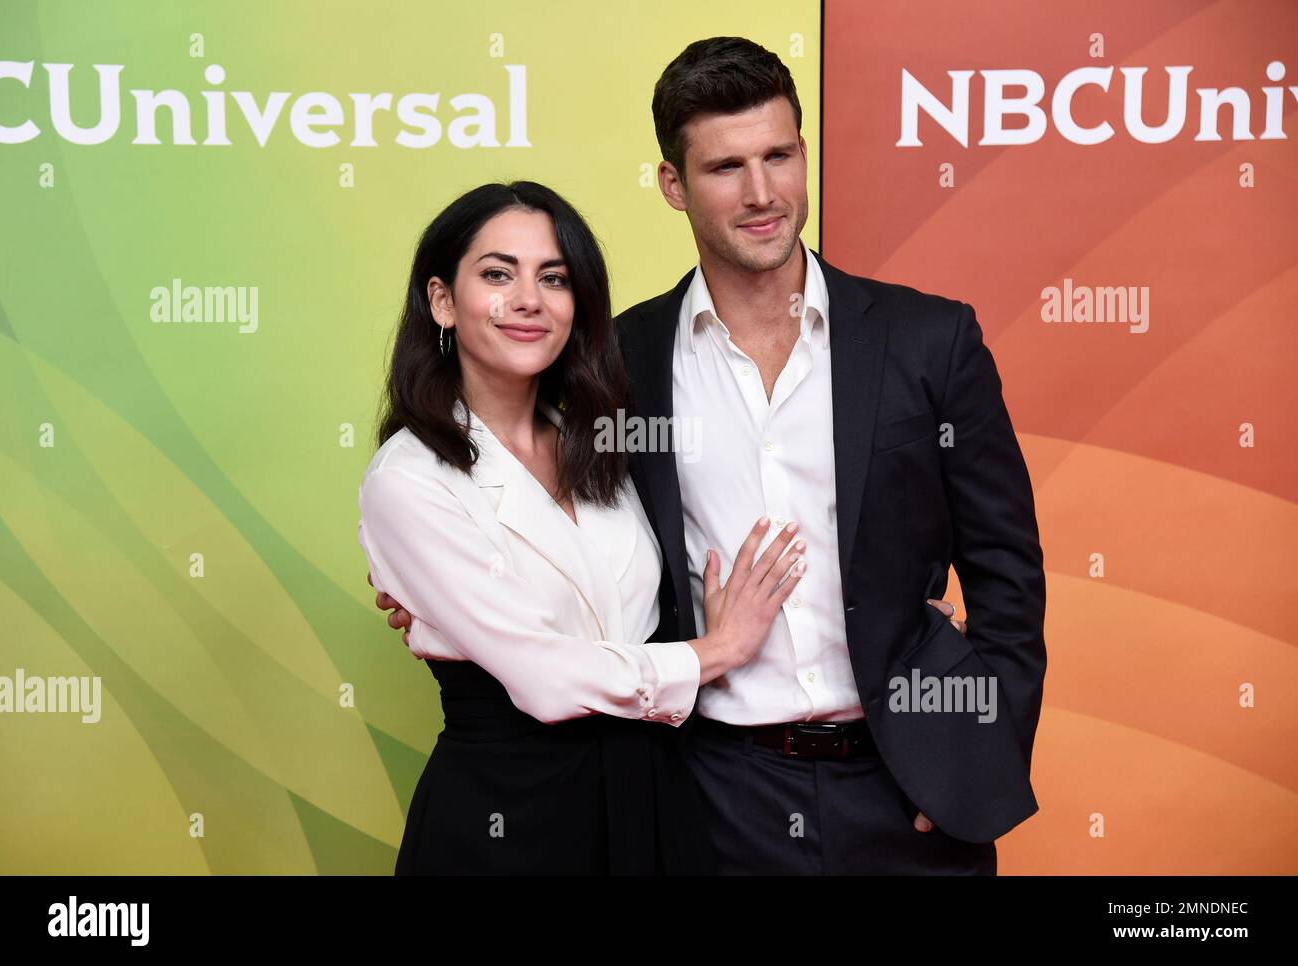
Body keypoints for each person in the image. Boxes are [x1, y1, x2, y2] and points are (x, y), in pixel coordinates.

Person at [379, 37, 1046, 875]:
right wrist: (431, 597)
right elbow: (523, 507)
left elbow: (1008, 571)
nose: (762, 192)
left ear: (806, 157)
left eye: (780, 155)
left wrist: (977, 757)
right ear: (673, 186)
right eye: (726, 167)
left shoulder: (928, 341)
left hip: (907, 782)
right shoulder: (615, 364)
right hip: (710, 796)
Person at [357, 180, 809, 874]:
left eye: (554, 278)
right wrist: (716, 650)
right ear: (442, 300)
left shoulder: (598, 444)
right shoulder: (409, 477)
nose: (529, 299)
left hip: (650, 796)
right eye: (498, 274)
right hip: (508, 814)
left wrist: (909, 616)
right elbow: (545, 677)